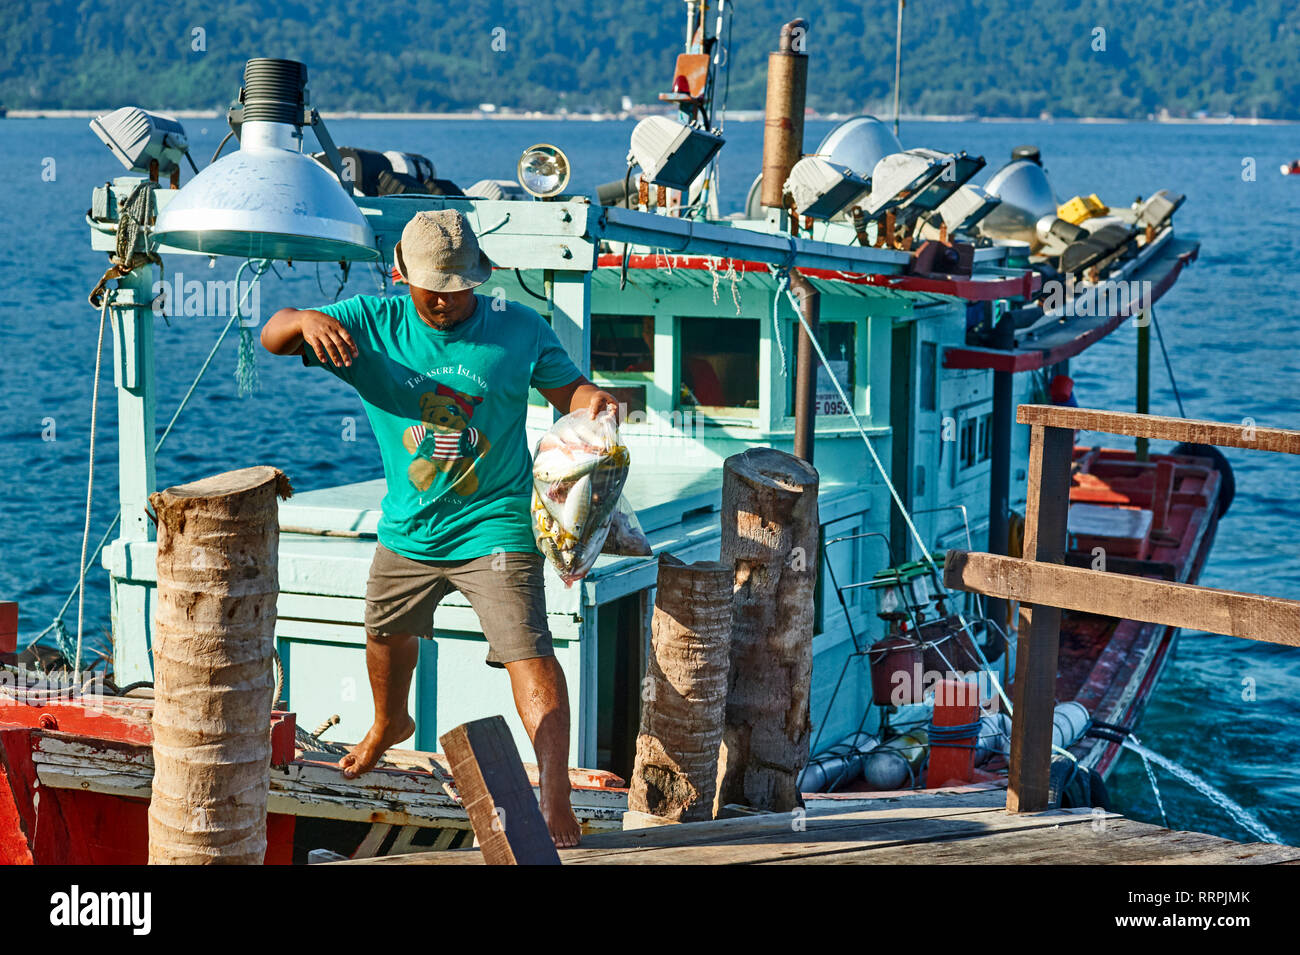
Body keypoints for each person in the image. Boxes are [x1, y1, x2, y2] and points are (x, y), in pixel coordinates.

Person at [261, 209, 617, 847]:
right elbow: (274, 336)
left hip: (497, 523)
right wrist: (306, 319)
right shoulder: (373, 322)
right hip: (410, 528)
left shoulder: (517, 327)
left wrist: (595, 404)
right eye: (434, 290)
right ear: (400, 275)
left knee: (529, 651)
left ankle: (554, 789)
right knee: (383, 632)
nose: (448, 301)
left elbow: (573, 392)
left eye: (460, 289)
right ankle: (390, 722)